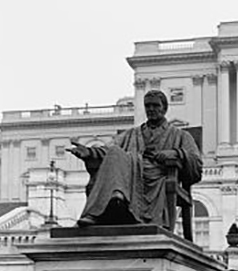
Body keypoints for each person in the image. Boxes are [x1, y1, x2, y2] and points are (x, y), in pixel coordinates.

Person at [67, 89, 202, 228]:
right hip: (130, 173)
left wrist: (176, 153)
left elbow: (196, 162)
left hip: (157, 175)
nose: (151, 109)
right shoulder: (131, 133)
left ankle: (114, 201)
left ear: (164, 108)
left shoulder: (181, 135)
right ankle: (111, 201)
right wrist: (89, 152)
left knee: (120, 160)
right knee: (114, 152)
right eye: (148, 106)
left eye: (155, 105)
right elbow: (107, 150)